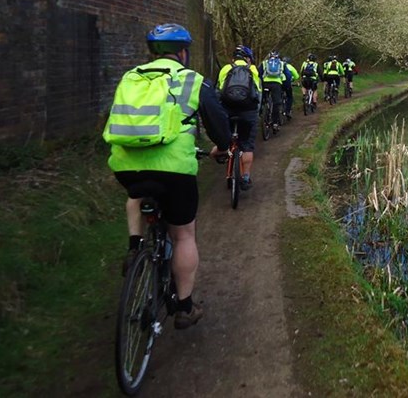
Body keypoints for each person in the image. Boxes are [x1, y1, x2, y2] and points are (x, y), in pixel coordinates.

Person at [105, 23, 231, 329]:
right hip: (174, 172)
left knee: (136, 195)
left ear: (150, 53)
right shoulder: (192, 80)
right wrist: (222, 148)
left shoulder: (130, 77)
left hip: (126, 167)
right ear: (183, 53)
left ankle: (134, 249)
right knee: (183, 233)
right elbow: (217, 122)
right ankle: (185, 307)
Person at [215, 45, 261, 189]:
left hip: (227, 110)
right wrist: (256, 112)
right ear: (248, 59)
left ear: (233, 58)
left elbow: (218, 91)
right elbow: (258, 94)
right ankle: (246, 177)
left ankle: (227, 161)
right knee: (247, 145)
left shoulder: (225, 69)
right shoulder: (253, 70)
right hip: (247, 111)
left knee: (227, 138)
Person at [258, 50, 285, 132]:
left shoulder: (264, 63)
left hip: (266, 83)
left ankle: (262, 114)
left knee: (263, 99)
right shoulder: (281, 63)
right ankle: (275, 123)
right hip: (276, 84)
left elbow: (259, 74)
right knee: (276, 103)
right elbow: (286, 75)